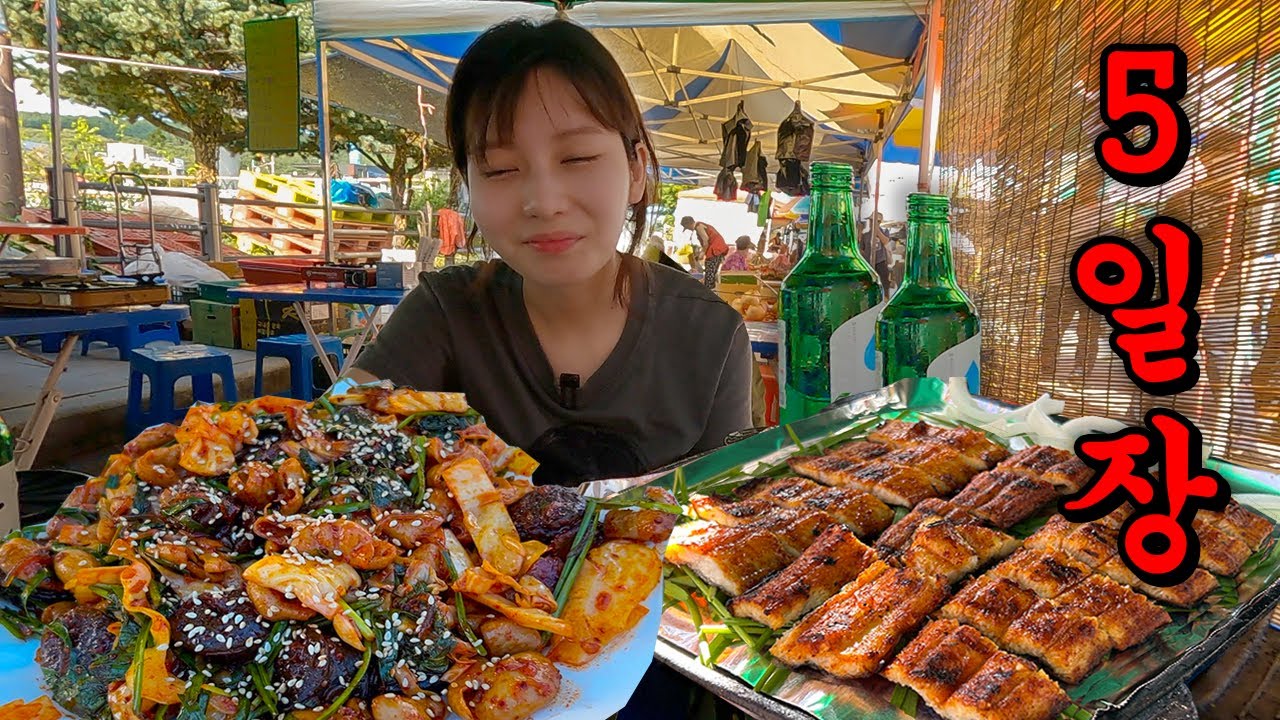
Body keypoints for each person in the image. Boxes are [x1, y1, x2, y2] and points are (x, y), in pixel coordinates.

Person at [681, 215, 729, 288]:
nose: (689, 229)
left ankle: (708, 290)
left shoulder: (698, 226)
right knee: (712, 272)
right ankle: (711, 288)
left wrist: (702, 253)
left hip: (715, 250)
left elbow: (705, 240)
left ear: (688, 224)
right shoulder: (701, 225)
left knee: (709, 273)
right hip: (719, 249)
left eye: (687, 227)